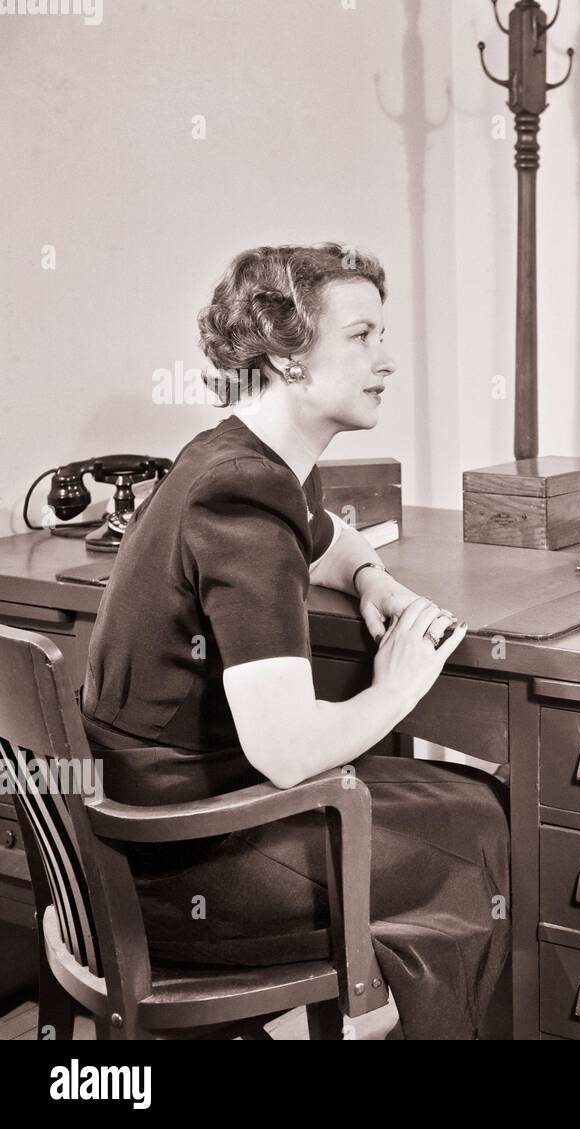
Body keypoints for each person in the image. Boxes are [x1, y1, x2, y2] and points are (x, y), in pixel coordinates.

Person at [80, 243, 510, 1039]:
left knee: (469, 801)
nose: (387, 361)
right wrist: (399, 685)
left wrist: (373, 577)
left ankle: (367, 1014)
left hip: (142, 835)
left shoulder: (238, 458)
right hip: (180, 865)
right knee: (486, 830)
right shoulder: (240, 494)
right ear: (287, 355)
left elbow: (327, 535)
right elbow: (284, 750)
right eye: (362, 337)